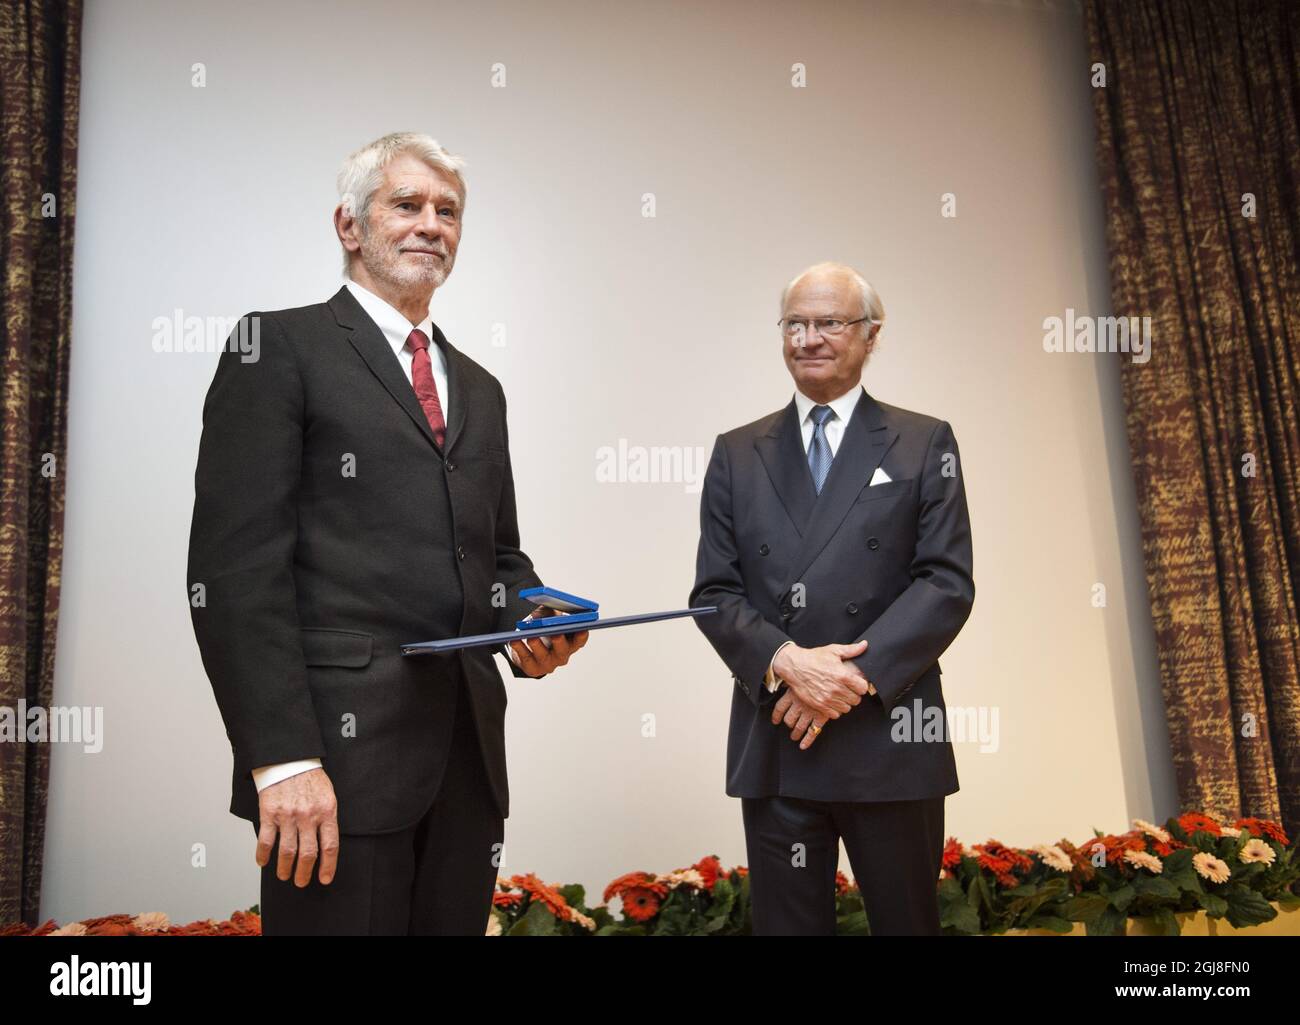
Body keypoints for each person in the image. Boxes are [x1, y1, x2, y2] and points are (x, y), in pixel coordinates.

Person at [187, 132, 588, 935]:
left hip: (468, 765)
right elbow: (234, 576)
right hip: (333, 769)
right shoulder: (277, 347)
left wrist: (530, 620)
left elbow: (494, 554)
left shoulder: (482, 385)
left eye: (448, 211)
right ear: (350, 225)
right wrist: (284, 758)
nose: (431, 225)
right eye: (406, 205)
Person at [689, 261, 974, 935]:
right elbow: (714, 592)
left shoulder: (923, 440)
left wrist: (845, 677)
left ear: (871, 335)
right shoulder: (737, 451)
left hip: (889, 738)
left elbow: (945, 581)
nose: (808, 338)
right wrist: (788, 662)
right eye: (795, 323)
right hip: (781, 738)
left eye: (829, 323)